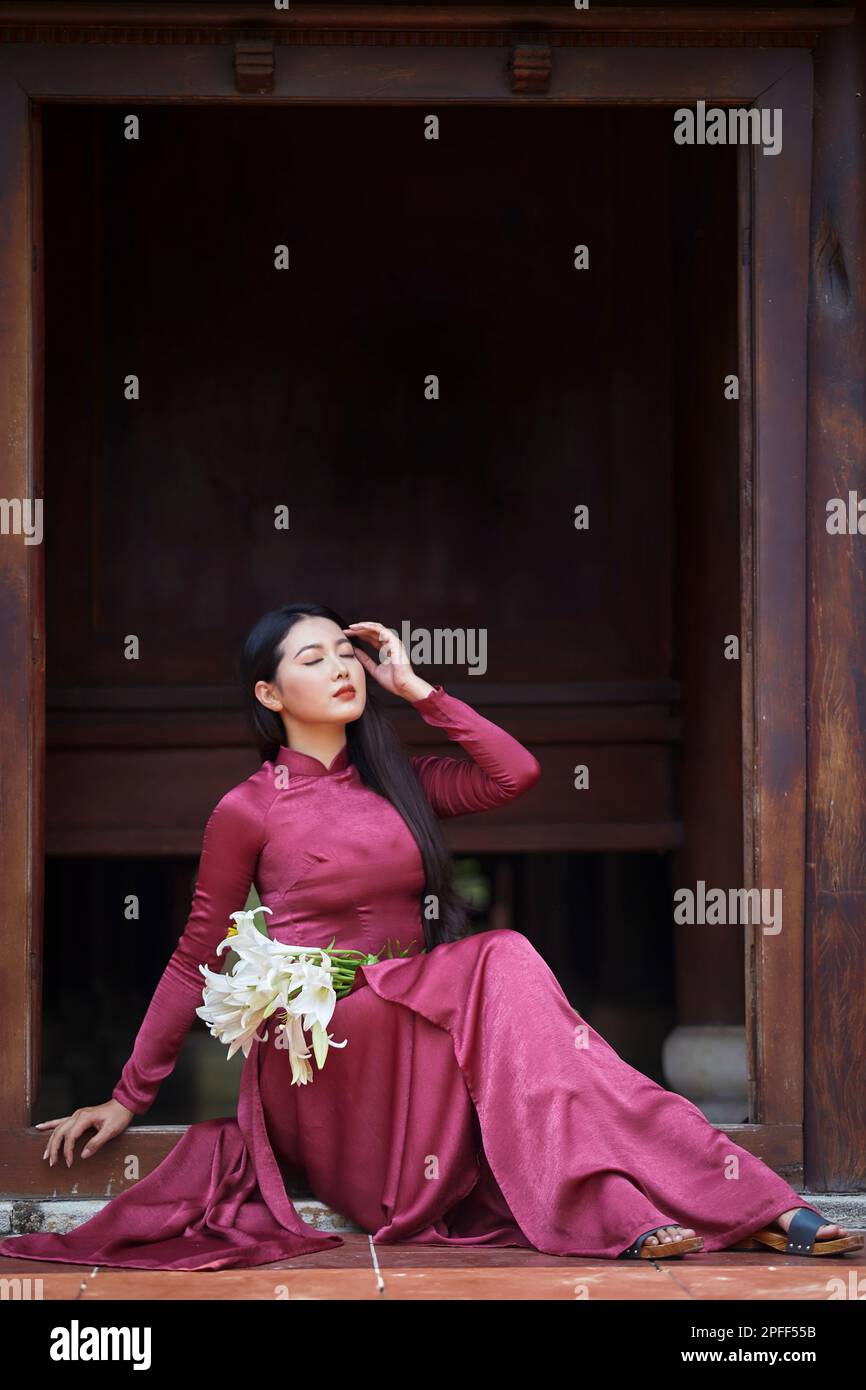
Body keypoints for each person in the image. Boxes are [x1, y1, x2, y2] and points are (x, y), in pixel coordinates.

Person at [0, 603, 859, 1270]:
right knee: (506, 959)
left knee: (555, 1055)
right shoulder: (248, 809)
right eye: (313, 658)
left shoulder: (402, 784)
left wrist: (417, 689)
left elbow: (513, 773)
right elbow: (194, 954)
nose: (340, 666)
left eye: (346, 651)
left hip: (415, 1021)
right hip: (323, 1053)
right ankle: (735, 1204)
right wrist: (128, 1095)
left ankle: (715, 1209)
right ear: (269, 694)